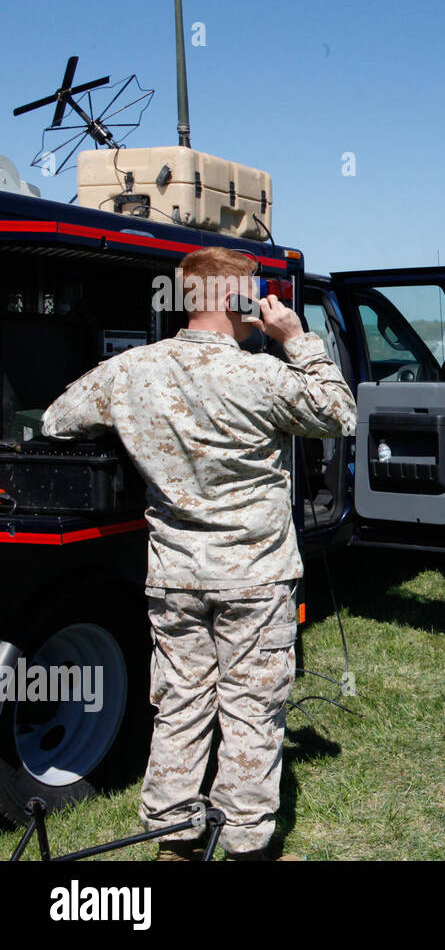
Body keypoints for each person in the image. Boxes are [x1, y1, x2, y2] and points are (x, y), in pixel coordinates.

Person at [42, 246, 357, 860]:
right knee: (249, 712)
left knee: (180, 705)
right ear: (240, 300)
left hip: (175, 577)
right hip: (255, 580)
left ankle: (173, 837)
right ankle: (241, 844)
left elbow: (57, 420)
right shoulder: (263, 376)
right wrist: (296, 338)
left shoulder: (128, 370)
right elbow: (340, 413)